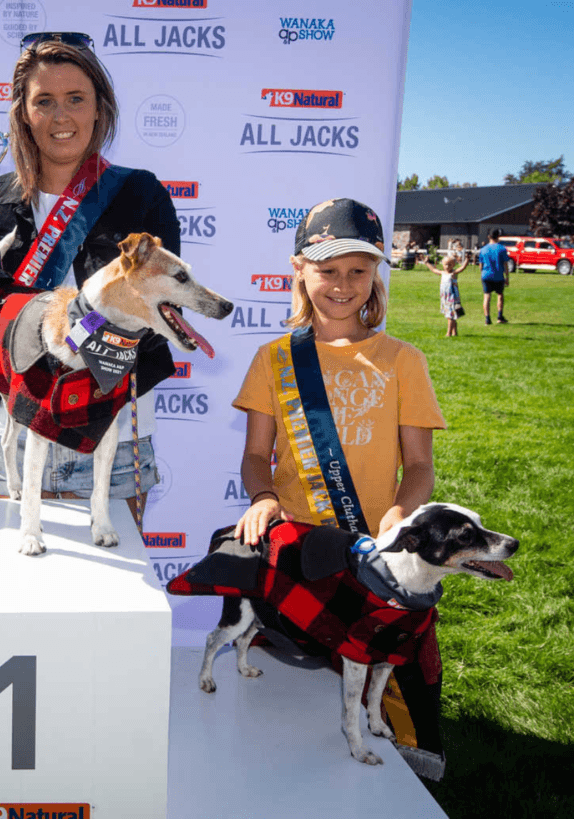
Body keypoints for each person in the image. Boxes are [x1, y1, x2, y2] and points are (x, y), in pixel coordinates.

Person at [0, 32, 179, 523]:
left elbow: (162, 314)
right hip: (5, 437)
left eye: (76, 99)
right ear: (23, 113)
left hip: (106, 435)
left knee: (110, 600)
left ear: (100, 109)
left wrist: (74, 348)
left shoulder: (139, 195)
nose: (61, 117)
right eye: (44, 102)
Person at [231, 198, 448, 775]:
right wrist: (264, 498)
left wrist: (400, 514)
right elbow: (256, 457)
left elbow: (420, 466)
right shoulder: (273, 359)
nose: (342, 284)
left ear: (376, 273)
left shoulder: (405, 360)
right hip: (297, 550)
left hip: (375, 556)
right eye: (328, 269)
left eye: (358, 269)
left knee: (392, 673)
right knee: (277, 702)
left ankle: (412, 760)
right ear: (300, 269)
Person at [427, 251, 469, 337]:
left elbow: (462, 267)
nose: (447, 266)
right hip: (445, 298)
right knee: (450, 316)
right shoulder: (442, 273)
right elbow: (434, 270)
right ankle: (454, 332)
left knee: (451, 316)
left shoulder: (453, 273)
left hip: (452, 297)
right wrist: (426, 263)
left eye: (450, 265)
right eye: (445, 264)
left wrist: (467, 259)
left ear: (453, 265)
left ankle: (448, 333)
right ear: (442, 264)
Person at [477, 228, 510, 324]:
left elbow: (480, 265)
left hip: (486, 275)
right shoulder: (502, 248)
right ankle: (500, 316)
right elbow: (505, 264)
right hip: (498, 275)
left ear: (488, 237)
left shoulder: (483, 250)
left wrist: (482, 273)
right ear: (498, 237)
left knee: (487, 296)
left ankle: (487, 318)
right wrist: (507, 277)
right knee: (500, 295)